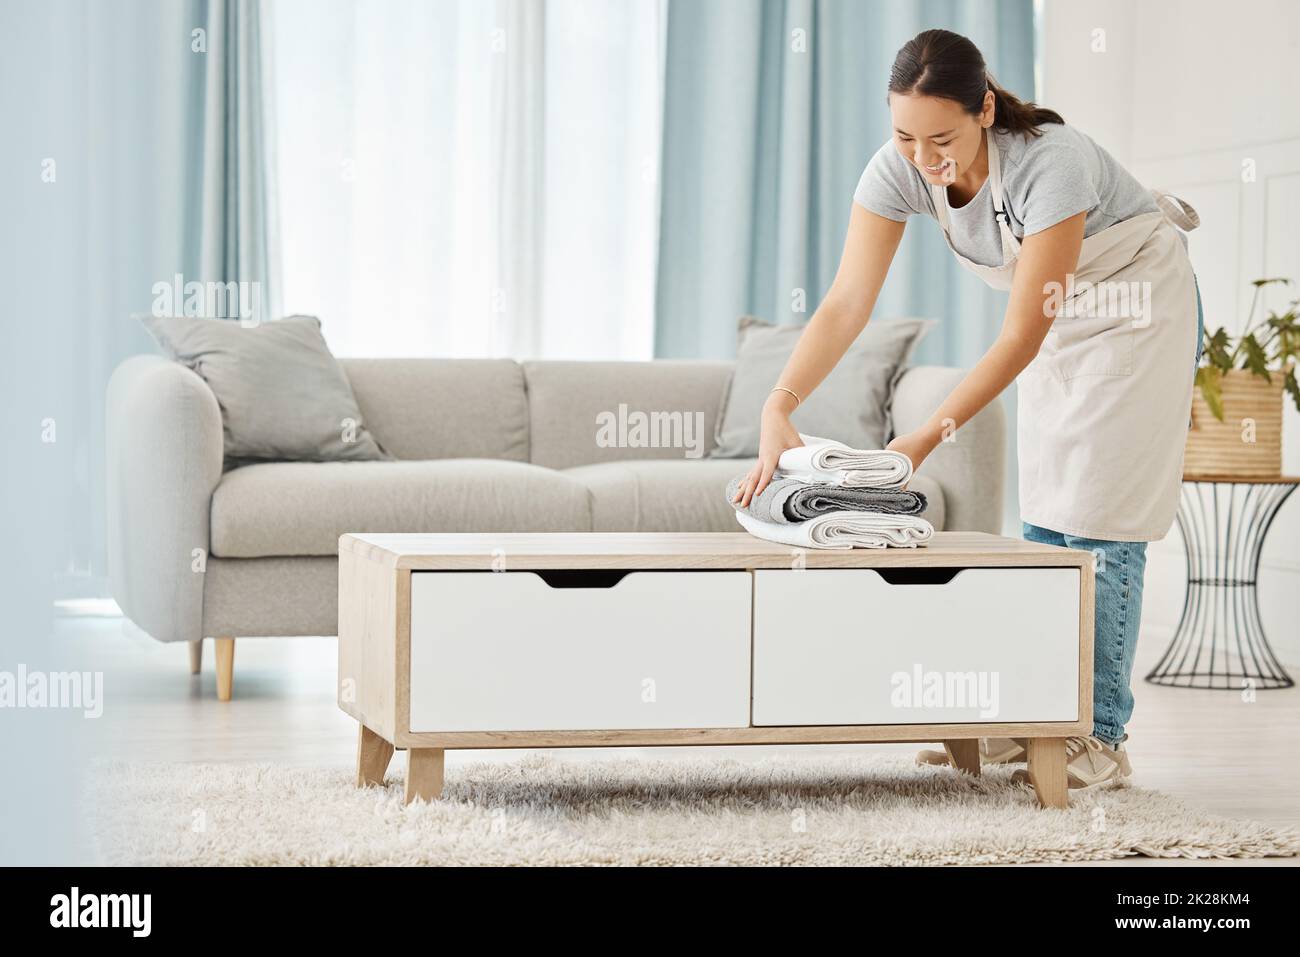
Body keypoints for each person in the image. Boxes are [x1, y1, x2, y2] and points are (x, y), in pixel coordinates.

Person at [732, 28, 1203, 789]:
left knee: (1102, 518)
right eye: (904, 135)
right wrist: (777, 403)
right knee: (1048, 518)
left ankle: (1100, 739)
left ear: (985, 110)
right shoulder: (902, 168)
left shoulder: (1051, 163)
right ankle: (1040, 725)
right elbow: (848, 301)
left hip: (1133, 303)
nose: (924, 157)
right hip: (1064, 311)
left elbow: (1020, 333)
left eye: (942, 136)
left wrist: (922, 437)